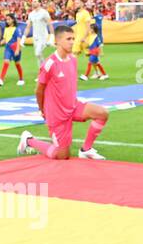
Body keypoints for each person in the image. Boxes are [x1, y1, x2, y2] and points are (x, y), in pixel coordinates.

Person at [16, 23, 108, 161]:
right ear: (57, 41)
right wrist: (43, 110)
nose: (72, 42)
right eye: (68, 39)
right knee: (62, 155)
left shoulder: (73, 60)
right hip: (57, 115)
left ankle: (86, 149)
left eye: (73, 38)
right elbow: (39, 90)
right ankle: (29, 140)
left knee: (102, 113)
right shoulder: (50, 64)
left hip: (73, 106)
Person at [0, 13, 26, 86]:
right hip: (8, 48)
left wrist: (17, 49)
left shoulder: (17, 29)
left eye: (9, 19)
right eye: (6, 19)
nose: (7, 21)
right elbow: (5, 39)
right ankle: (1, 79)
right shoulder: (6, 29)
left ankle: (21, 79)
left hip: (15, 48)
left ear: (13, 20)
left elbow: (19, 39)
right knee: (6, 61)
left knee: (17, 63)